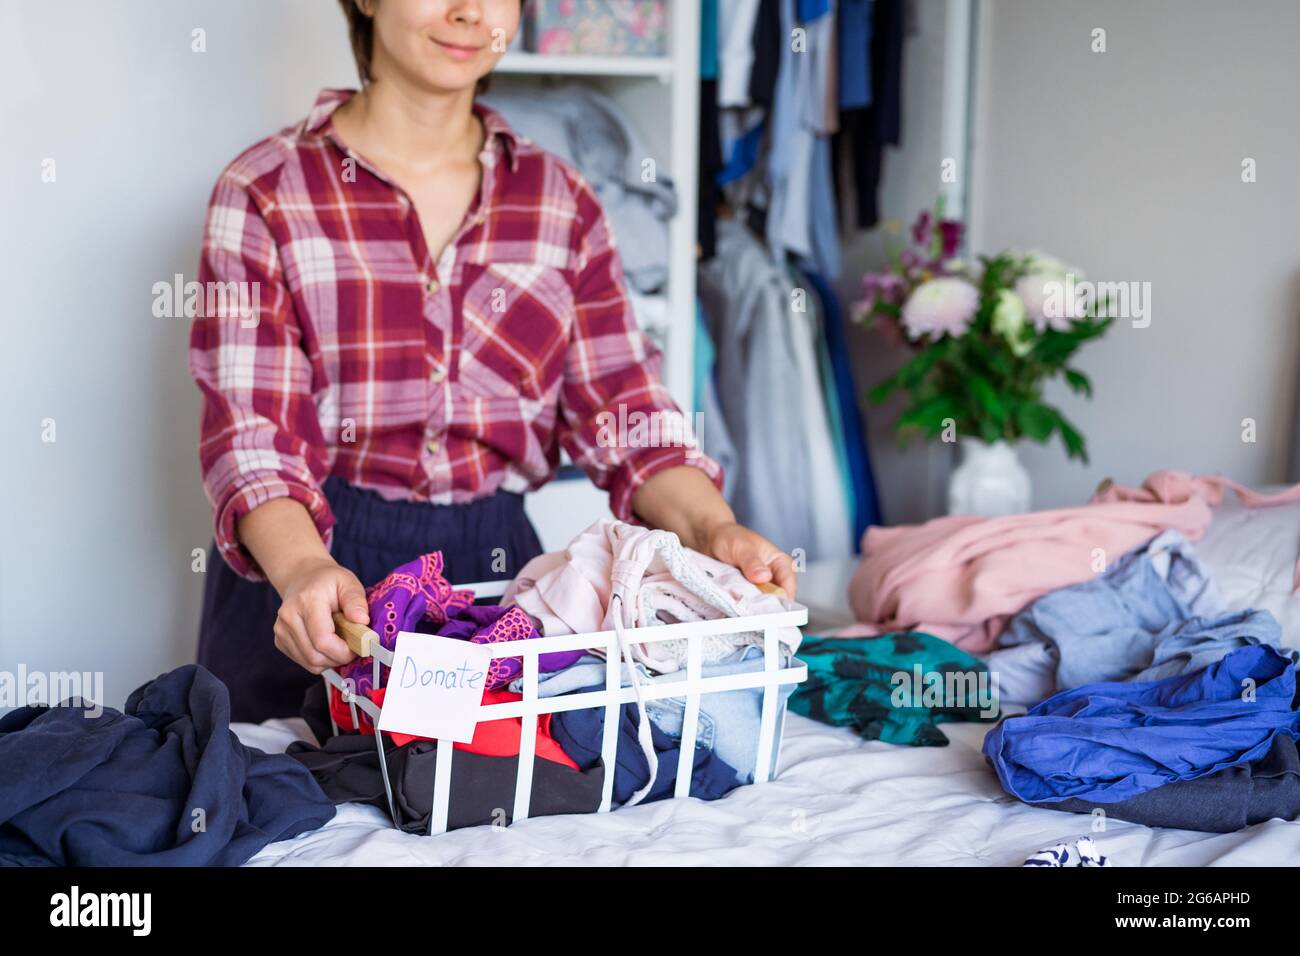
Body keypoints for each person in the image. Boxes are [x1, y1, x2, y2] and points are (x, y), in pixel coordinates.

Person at [189, 0, 797, 723]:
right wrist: (303, 569)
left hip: (494, 575)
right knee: (282, 804)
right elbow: (254, 436)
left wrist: (712, 530)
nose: (469, 12)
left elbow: (627, 412)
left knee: (485, 815)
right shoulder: (265, 189)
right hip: (311, 569)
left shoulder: (561, 202)